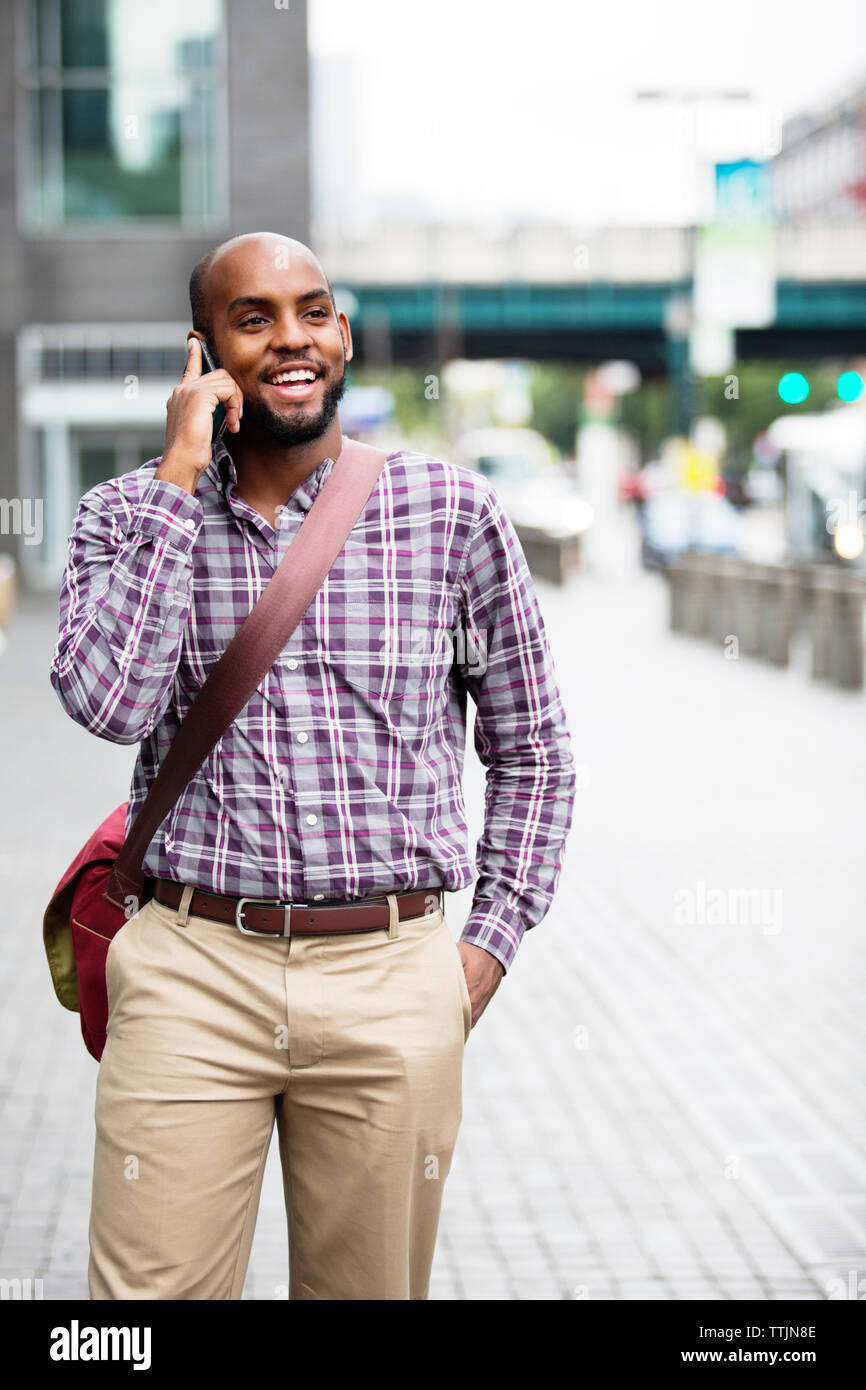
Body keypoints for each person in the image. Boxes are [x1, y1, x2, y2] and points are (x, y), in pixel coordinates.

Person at [49, 232, 576, 1301]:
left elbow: (533, 749)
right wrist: (180, 476)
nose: (291, 337)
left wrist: (481, 949)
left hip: (390, 975)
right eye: (254, 318)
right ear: (202, 354)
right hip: (193, 968)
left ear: (340, 333)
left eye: (313, 311)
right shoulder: (125, 515)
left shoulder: (450, 514)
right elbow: (108, 703)